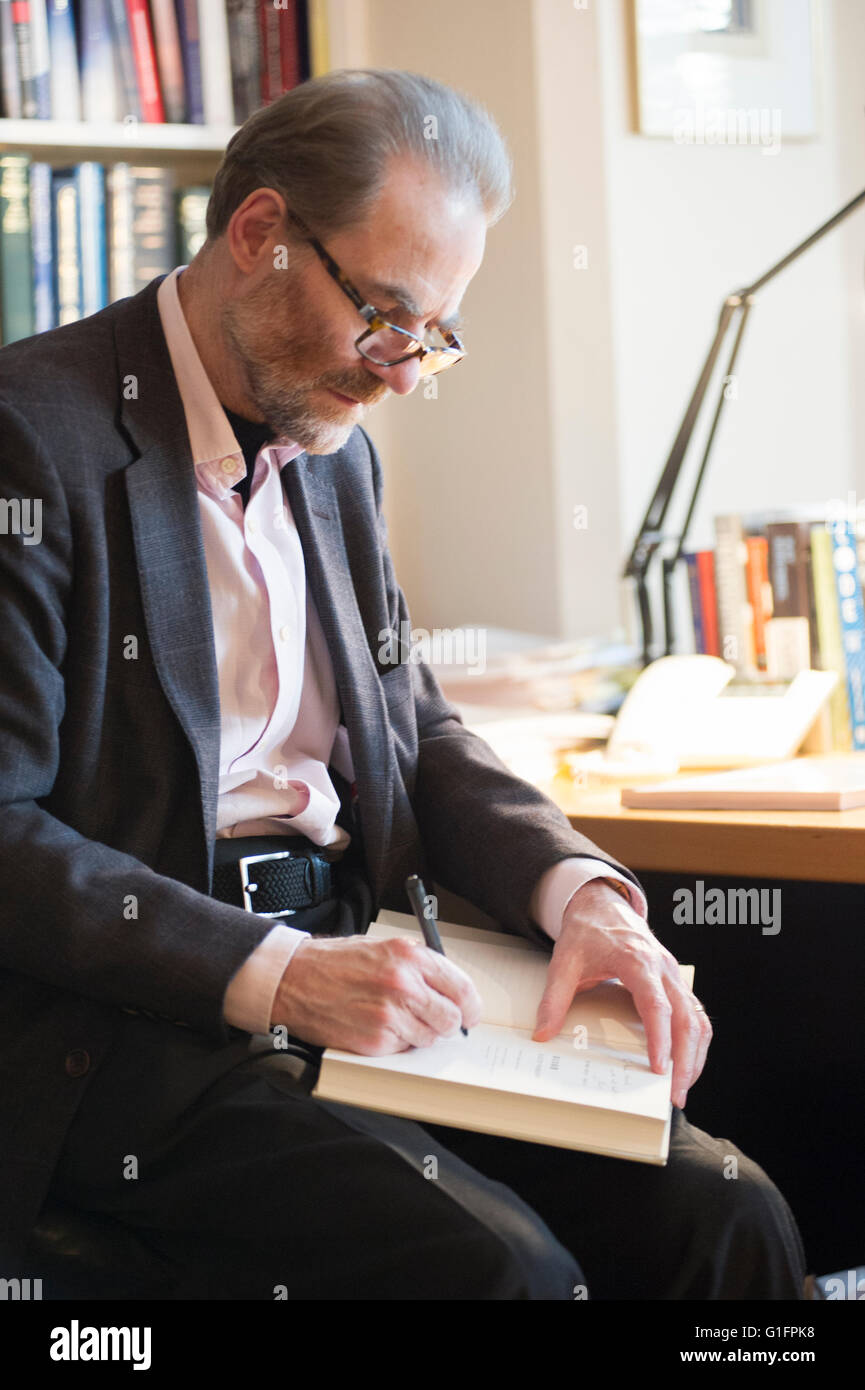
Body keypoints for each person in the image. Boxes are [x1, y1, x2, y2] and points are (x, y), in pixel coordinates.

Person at [0, 69, 807, 1300]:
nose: (404, 374)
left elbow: (412, 729)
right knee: (499, 1272)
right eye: (386, 317)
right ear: (261, 235)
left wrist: (576, 885)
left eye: (434, 335)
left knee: (729, 1215)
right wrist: (276, 972)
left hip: (376, 961)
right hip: (137, 1022)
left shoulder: (336, 457)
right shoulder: (32, 433)